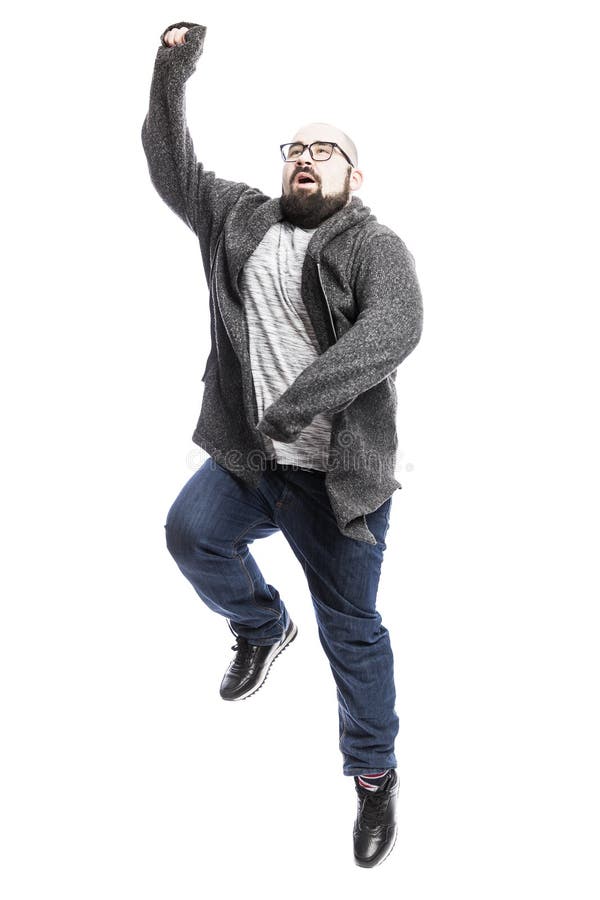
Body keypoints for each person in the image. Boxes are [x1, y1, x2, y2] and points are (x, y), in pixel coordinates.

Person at [141, 20, 423, 868]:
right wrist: (171, 69)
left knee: (355, 633)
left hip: (337, 480)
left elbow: (396, 327)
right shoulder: (238, 217)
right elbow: (169, 163)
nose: (306, 158)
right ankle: (261, 625)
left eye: (326, 150)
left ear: (354, 174)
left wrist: (303, 402)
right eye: (296, 147)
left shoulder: (374, 246)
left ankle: (374, 776)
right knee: (191, 534)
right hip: (250, 457)